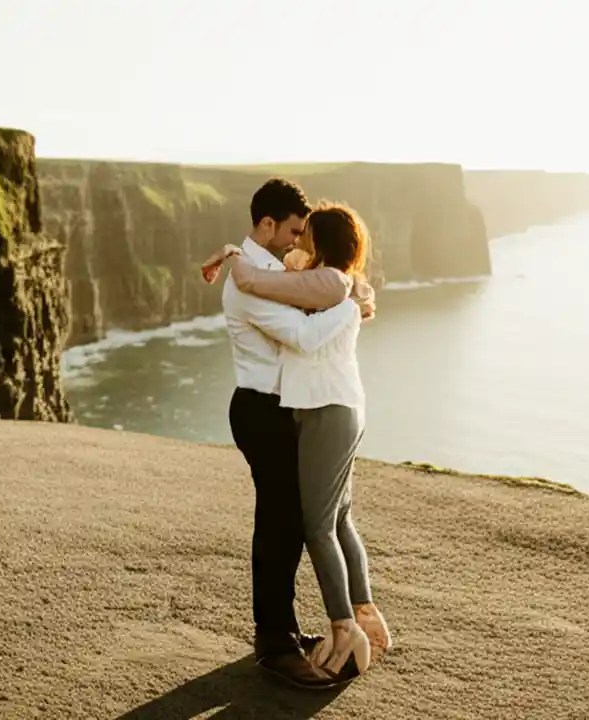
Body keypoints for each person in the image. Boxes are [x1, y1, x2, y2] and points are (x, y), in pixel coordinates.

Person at [203, 195, 391, 685]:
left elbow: (311, 285)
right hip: (263, 409)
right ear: (267, 225)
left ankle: (305, 630)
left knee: (299, 524)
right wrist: (351, 301)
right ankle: (277, 643)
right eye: (291, 232)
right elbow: (301, 332)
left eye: (304, 234)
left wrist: (352, 294)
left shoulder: (284, 272)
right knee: (282, 526)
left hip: (298, 409)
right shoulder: (256, 283)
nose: (297, 242)